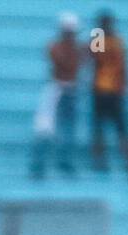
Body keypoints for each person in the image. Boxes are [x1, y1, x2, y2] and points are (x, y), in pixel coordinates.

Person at [90, 11, 128, 180]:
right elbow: (98, 60)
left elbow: (99, 60)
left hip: (107, 89)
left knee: (111, 128)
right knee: (112, 128)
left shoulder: (105, 38)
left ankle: (123, 162)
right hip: (106, 89)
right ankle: (125, 162)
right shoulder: (112, 40)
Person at [31, 12, 82, 179]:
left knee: (68, 131)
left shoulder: (75, 48)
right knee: (44, 128)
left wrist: (97, 38)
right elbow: (65, 65)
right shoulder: (55, 47)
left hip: (70, 90)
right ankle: (39, 165)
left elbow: (91, 56)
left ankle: (64, 162)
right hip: (56, 90)